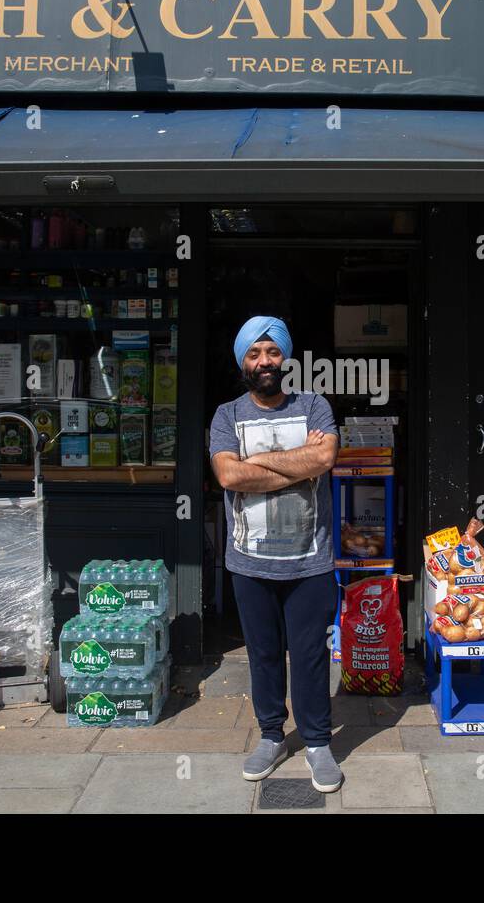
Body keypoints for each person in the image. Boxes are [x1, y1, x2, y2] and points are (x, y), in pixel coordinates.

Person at [208, 316, 342, 792]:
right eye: (253, 354)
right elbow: (228, 477)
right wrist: (296, 465)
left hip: (311, 560)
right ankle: (270, 736)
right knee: (263, 654)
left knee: (309, 656)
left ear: (284, 357)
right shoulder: (227, 415)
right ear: (243, 362)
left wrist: (255, 462)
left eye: (271, 352)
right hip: (249, 561)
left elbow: (324, 459)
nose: (264, 361)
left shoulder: (314, 405)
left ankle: (318, 742)